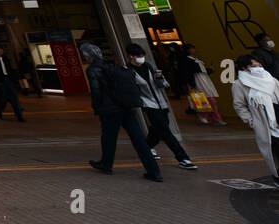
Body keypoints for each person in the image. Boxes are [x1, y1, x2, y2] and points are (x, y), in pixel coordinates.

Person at [81, 43, 162, 182]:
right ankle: (154, 171)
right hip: (125, 107)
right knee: (139, 140)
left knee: (108, 138)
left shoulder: (93, 69)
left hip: (110, 109)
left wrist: (97, 108)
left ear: (88, 55)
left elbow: (96, 91)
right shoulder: (112, 66)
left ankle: (106, 164)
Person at [126, 43, 197, 170]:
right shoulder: (128, 71)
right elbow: (131, 90)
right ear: (131, 56)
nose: (141, 57)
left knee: (157, 130)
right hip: (149, 105)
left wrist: (160, 80)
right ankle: (183, 158)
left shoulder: (148, 67)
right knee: (166, 132)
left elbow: (164, 83)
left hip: (162, 103)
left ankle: (146, 147)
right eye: (138, 56)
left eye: (142, 55)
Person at [232, 54, 279, 183]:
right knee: (273, 151)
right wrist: (251, 121)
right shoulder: (239, 84)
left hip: (277, 119)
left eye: (260, 65)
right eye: (253, 66)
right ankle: (277, 177)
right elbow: (239, 105)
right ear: (244, 68)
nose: (258, 68)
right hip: (264, 124)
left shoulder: (270, 79)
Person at [182, 44, 226, 126]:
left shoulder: (196, 59)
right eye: (191, 48)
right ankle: (212, 118)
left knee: (210, 100)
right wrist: (190, 85)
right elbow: (188, 73)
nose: (193, 50)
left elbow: (203, 70)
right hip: (198, 81)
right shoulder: (186, 60)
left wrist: (209, 70)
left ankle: (213, 118)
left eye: (193, 48)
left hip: (204, 80)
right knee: (204, 100)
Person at [0, 44, 25, 121]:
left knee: (14, 97)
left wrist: (13, 78)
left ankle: (19, 116)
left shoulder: (5, 58)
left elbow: (9, 69)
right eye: (0, 49)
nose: (1, 51)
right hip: (0, 81)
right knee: (3, 98)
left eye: (2, 49)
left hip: (8, 79)